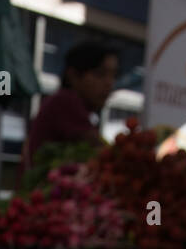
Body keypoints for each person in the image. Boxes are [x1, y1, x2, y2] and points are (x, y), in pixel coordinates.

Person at [22, 41, 119, 170]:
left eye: (113, 76)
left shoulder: (62, 102)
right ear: (73, 75)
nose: (109, 83)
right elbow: (104, 153)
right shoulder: (65, 101)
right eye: (100, 74)